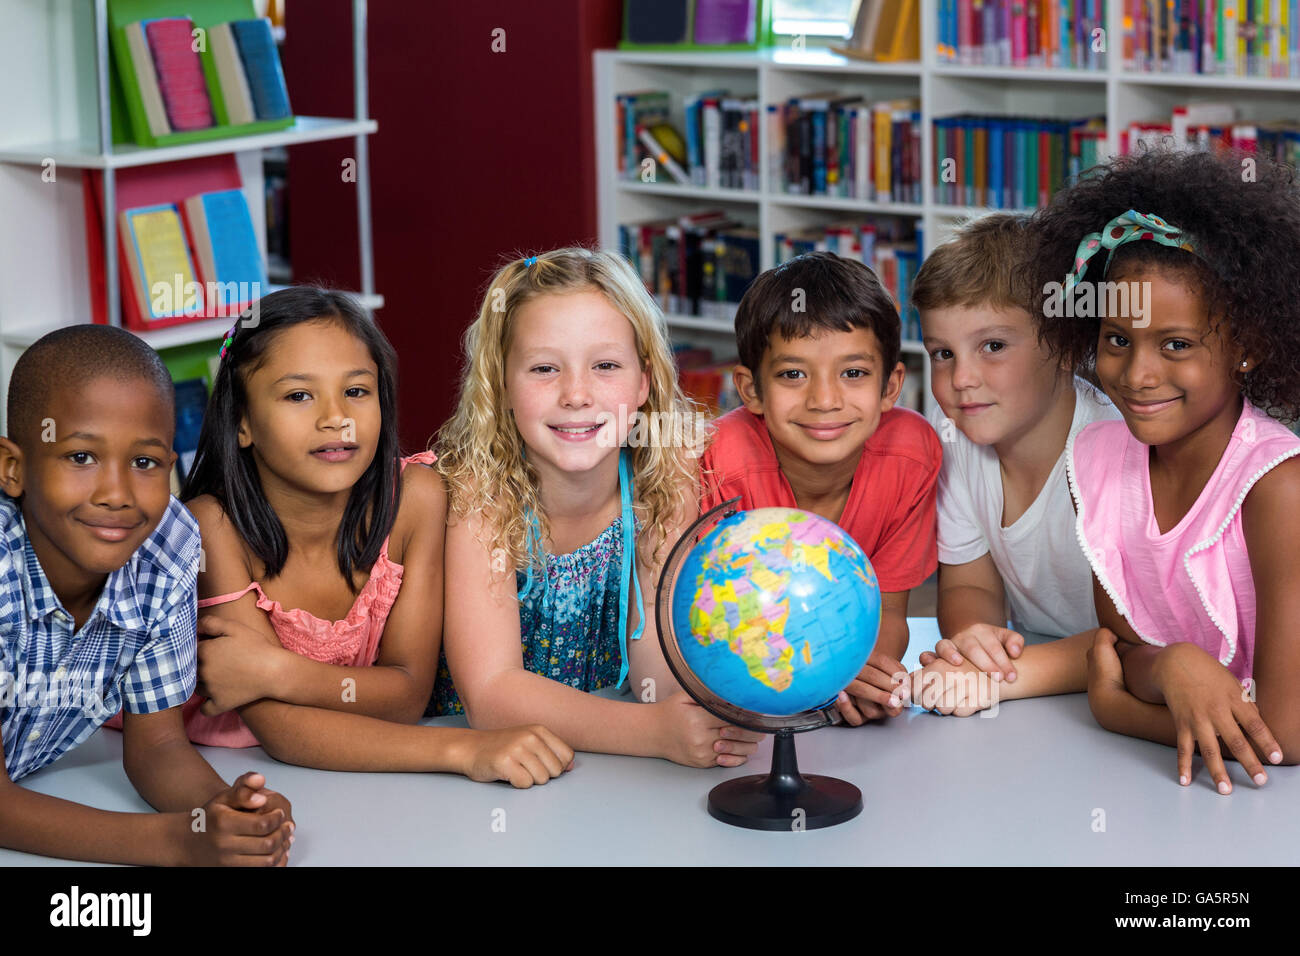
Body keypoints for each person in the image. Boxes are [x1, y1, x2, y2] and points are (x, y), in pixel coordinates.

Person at [112, 288, 572, 789]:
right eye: (298, 395)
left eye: (356, 391)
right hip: (202, 764)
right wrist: (465, 749)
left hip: (356, 769)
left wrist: (275, 671)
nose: (337, 417)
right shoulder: (212, 529)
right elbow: (283, 730)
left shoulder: (415, 499)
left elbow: (406, 696)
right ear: (241, 422)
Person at [433, 248, 763, 768]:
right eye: (544, 368)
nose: (576, 394)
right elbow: (492, 694)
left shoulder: (662, 476)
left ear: (644, 382)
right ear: (500, 387)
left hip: (598, 766)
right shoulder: (479, 492)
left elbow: (653, 654)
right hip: (485, 770)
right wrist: (655, 732)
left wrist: (696, 711)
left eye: (605, 365)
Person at [1034, 148, 1300, 792]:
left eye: (1176, 344)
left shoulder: (1277, 487)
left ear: (1249, 347)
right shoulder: (1097, 463)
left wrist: (1121, 712)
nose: (1138, 374)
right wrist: (1177, 666)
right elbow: (1121, 646)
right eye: (1117, 339)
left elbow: (1284, 736)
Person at [0, 325, 293, 864]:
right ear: (12, 469)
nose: (117, 495)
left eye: (145, 463)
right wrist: (181, 844)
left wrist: (226, 814)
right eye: (81, 457)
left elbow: (157, 746)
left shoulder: (167, 547)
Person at [700, 251, 942, 725]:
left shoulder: (911, 457)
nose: (825, 400)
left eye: (853, 373)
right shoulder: (717, 464)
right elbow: (702, 624)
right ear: (751, 390)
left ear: (891, 387)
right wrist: (822, 679)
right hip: (735, 704)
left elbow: (888, 614)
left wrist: (866, 678)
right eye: (793, 374)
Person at [903, 213, 1120, 715]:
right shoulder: (953, 438)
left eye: (993, 346)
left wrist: (999, 679)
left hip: (1112, 685)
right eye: (942, 353)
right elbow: (969, 583)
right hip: (1045, 688)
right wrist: (975, 645)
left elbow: (1139, 638)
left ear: (1065, 346)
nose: (962, 379)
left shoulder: (1114, 450)